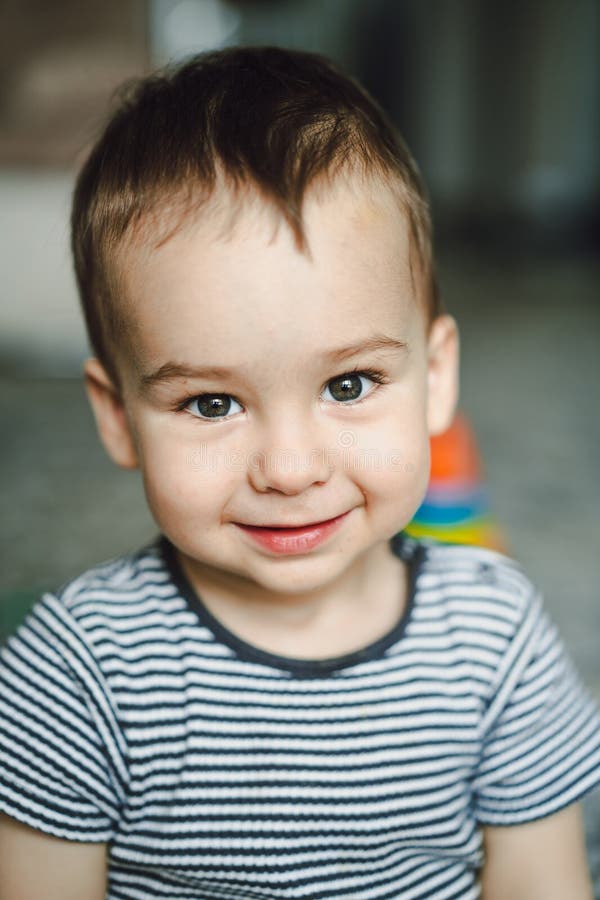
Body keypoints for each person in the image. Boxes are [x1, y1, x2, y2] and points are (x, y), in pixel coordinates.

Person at [0, 46, 598, 900]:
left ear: (439, 379)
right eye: (211, 403)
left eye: (348, 386)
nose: (289, 468)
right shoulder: (77, 672)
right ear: (116, 416)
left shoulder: (495, 640)